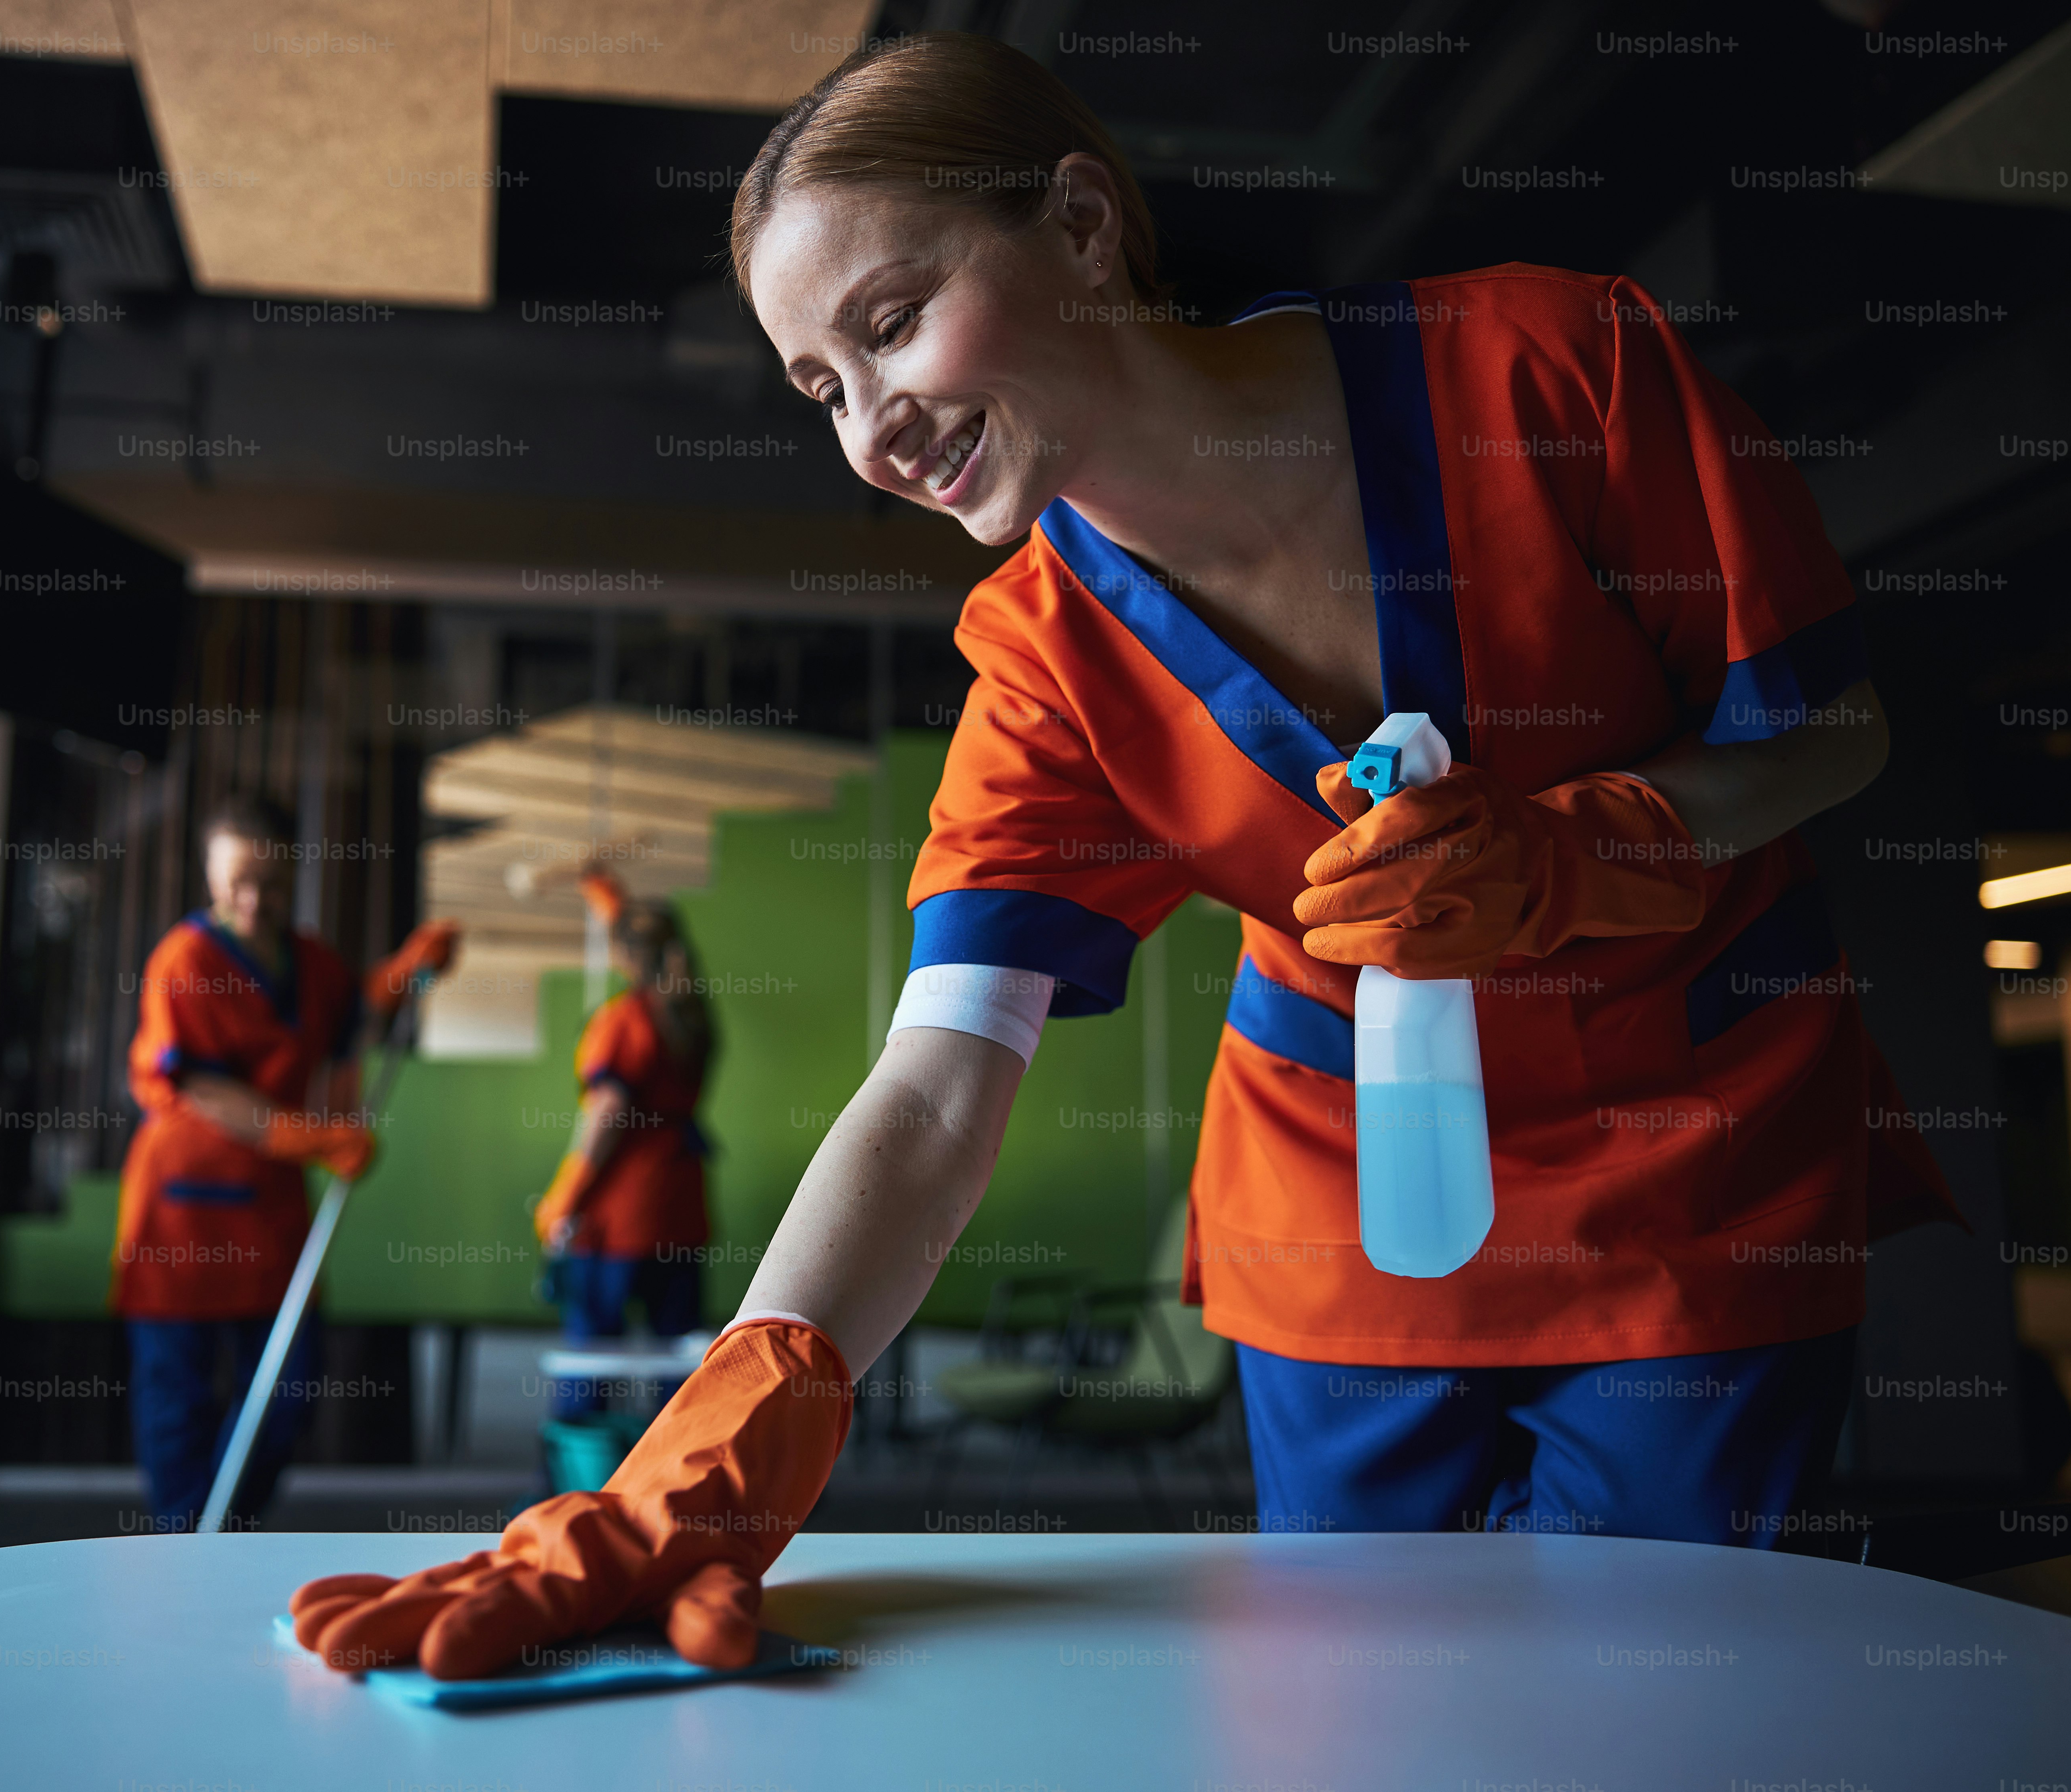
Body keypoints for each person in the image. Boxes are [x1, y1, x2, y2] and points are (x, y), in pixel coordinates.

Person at [290, 33, 1960, 1678]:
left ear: (1084, 222)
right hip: (1340, 1220)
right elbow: (938, 1088)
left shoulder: (1550, 367)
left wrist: (1594, 845)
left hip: (1699, 1172)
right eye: (822, 388)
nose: (875, 427)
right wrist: (712, 1452)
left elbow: (1834, 731)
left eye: (891, 323)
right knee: (1367, 1704)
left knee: (1653, 1693)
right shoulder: (1044, 660)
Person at [114, 794, 456, 1530]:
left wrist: (407, 973)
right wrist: (313, 1139)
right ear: (210, 875)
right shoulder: (186, 960)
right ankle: (185, 1543)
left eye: (269, 883)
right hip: (181, 1211)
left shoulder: (309, 961)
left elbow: (352, 1018)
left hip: (268, 1211)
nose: (252, 900)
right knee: (179, 1398)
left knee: (290, 1390)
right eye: (236, 881)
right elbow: (201, 1085)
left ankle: (225, 1527)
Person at [532, 870, 716, 1415]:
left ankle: (575, 1487)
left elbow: (606, 1115)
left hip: (619, 1217)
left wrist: (565, 1194)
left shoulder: (624, 1021)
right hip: (680, 1207)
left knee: (591, 1358)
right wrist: (617, 908)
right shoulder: (691, 1014)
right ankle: (677, 1486)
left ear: (624, 956)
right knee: (678, 1366)